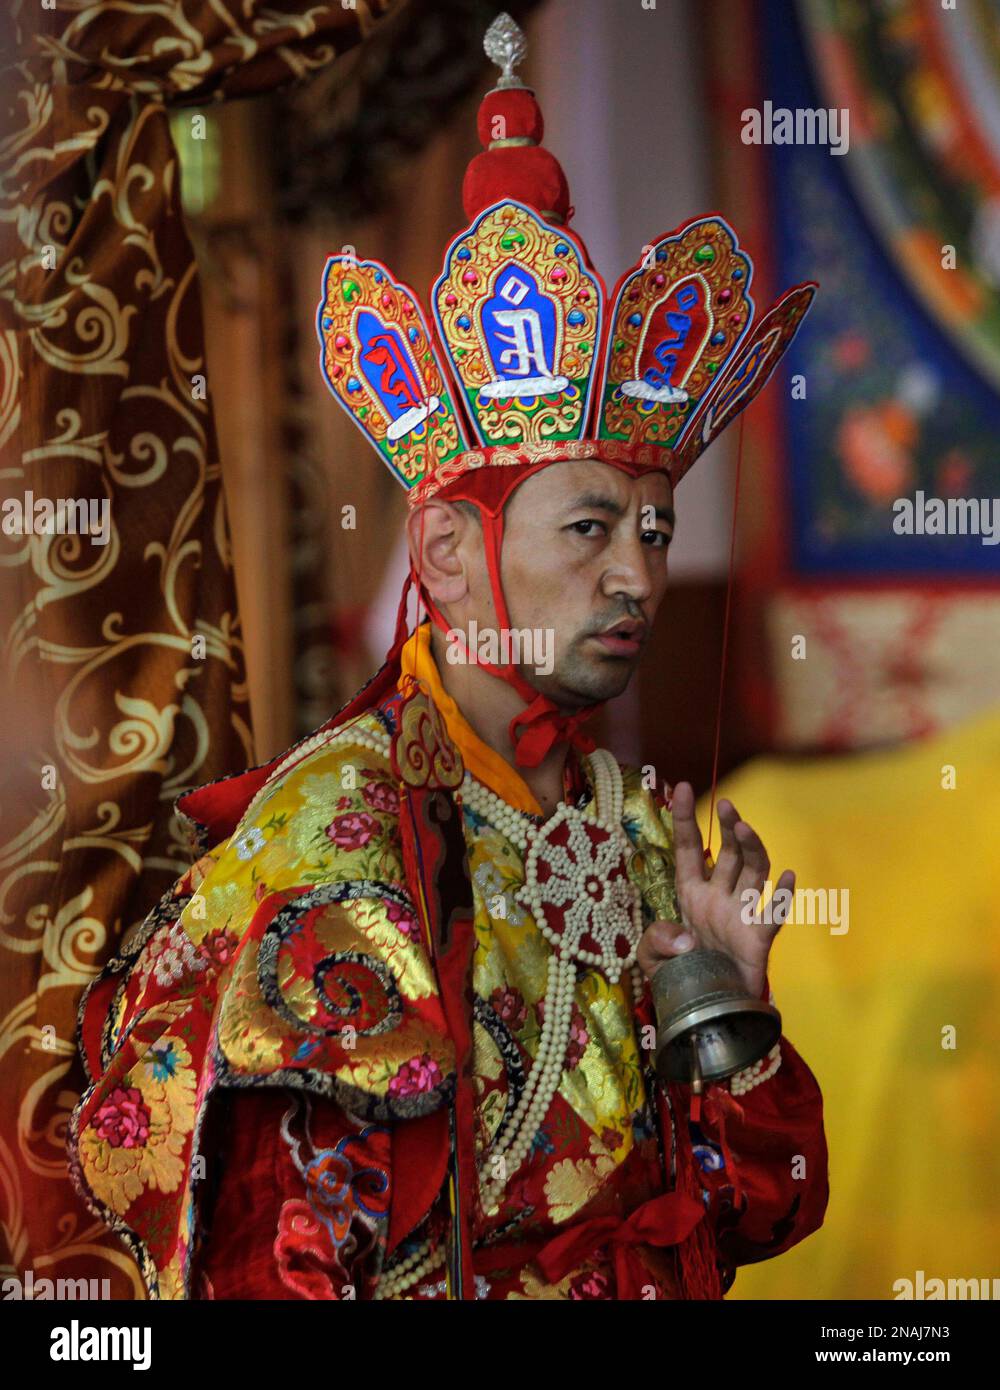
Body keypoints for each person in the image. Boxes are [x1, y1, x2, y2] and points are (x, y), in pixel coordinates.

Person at [68, 13, 827, 1301]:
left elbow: (745, 1222)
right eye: (589, 527)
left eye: (655, 528)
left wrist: (722, 1010)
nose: (640, 574)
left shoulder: (633, 832)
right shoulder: (338, 848)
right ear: (451, 552)